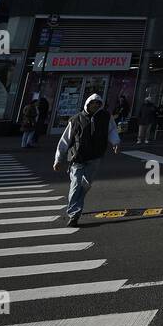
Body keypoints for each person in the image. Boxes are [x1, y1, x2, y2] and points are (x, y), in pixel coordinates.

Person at [53, 93, 120, 228]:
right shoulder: (76, 119)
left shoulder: (106, 117)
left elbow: (112, 131)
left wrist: (116, 142)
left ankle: (77, 206)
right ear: (87, 104)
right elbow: (65, 141)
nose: (95, 106)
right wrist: (58, 159)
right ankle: (74, 214)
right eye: (93, 103)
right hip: (77, 158)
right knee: (76, 184)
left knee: (85, 185)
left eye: (98, 104)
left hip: (94, 157)